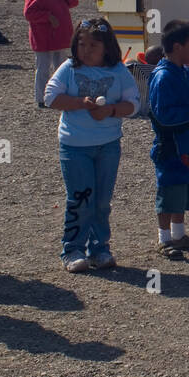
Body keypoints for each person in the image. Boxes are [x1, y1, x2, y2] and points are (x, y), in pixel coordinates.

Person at [43, 18, 139, 272]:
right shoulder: (69, 68)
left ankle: (99, 249)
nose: (86, 50)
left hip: (108, 146)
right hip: (74, 146)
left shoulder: (119, 70)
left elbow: (134, 104)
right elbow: (50, 96)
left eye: (93, 45)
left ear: (107, 47)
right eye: (81, 44)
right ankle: (72, 249)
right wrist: (79, 103)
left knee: (102, 201)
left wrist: (110, 110)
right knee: (80, 198)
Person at [148, 20, 189, 260]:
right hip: (172, 145)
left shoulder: (185, 73)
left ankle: (178, 235)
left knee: (182, 191)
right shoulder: (164, 77)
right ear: (177, 46)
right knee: (169, 191)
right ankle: (164, 238)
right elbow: (164, 115)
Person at [24, 0, 79, 108]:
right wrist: (48, 17)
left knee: (61, 68)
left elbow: (73, 2)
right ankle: (41, 98)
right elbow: (29, 14)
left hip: (59, 38)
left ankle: (59, 95)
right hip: (44, 38)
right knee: (43, 69)